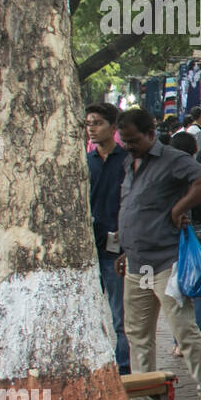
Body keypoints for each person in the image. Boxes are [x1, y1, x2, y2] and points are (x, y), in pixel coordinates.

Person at [114, 109, 201, 400]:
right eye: (124, 141)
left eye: (134, 140)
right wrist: (125, 250)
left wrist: (179, 208)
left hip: (167, 261)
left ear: (150, 133)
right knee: (137, 334)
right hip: (136, 262)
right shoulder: (129, 162)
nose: (129, 146)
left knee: (185, 331)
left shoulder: (171, 159)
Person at [86, 102, 131, 374]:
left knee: (120, 317)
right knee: (90, 315)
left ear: (113, 128)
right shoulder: (85, 161)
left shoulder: (126, 161)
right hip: (88, 248)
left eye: (98, 123)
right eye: (89, 124)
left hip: (116, 249)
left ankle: (123, 369)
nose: (92, 129)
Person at [169, 131, 201, 346]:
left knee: (178, 287)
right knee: (198, 289)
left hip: (177, 239)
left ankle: (179, 341)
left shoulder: (169, 178)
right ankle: (198, 334)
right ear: (195, 149)